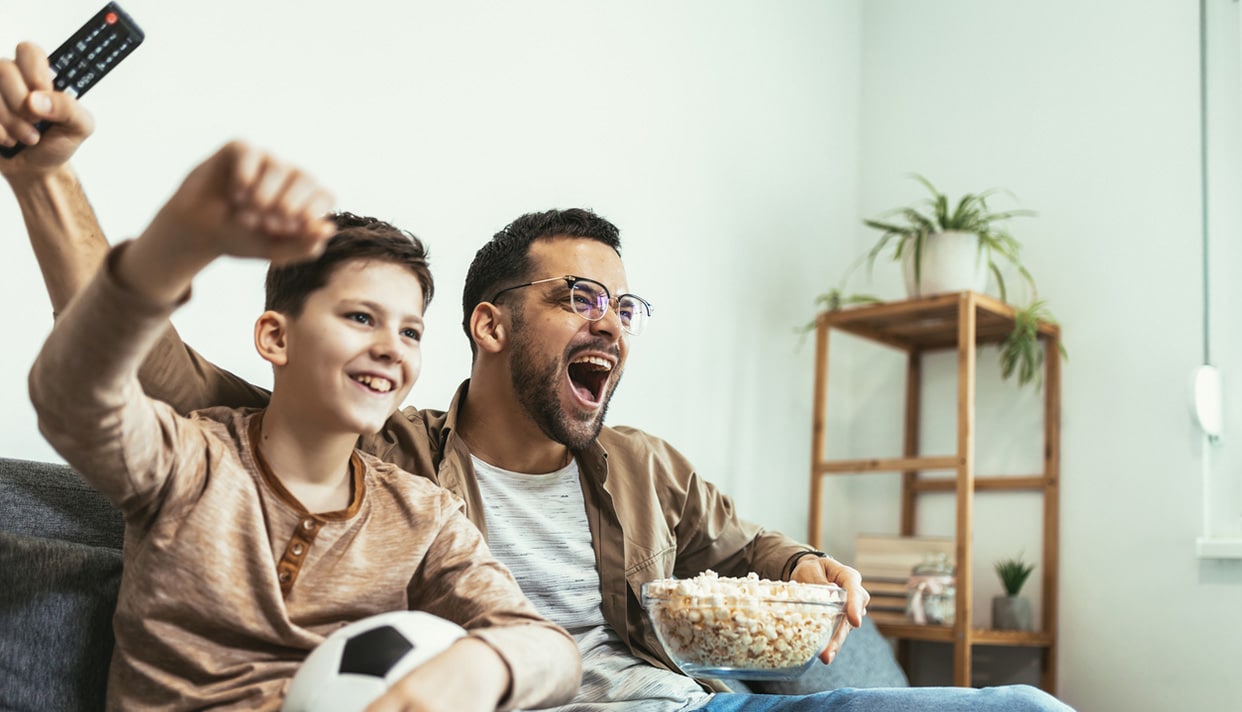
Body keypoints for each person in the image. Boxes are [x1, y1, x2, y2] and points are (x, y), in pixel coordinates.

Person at [1, 42, 1074, 712]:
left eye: (623, 305)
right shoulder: (386, 458)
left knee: (1024, 705)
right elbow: (135, 374)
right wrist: (61, 186)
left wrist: (803, 566)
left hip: (699, 705)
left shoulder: (634, 469)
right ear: (490, 324)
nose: (609, 323)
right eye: (577, 298)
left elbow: (740, 552)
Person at [26, 139, 581, 711]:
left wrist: (486, 663)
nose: (391, 348)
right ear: (276, 337)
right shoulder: (187, 460)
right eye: (361, 317)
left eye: (410, 331)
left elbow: (551, 651)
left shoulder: (424, 516)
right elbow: (72, 396)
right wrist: (173, 245)